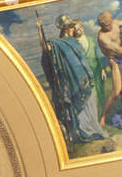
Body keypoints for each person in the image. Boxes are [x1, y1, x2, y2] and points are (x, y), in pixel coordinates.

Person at [37, 15, 107, 144]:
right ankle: (83, 131)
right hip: (71, 81)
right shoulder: (56, 44)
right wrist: (40, 30)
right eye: (71, 28)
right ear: (65, 29)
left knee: (90, 103)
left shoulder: (75, 42)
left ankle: (94, 128)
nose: (74, 30)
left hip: (84, 78)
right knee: (78, 106)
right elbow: (45, 48)